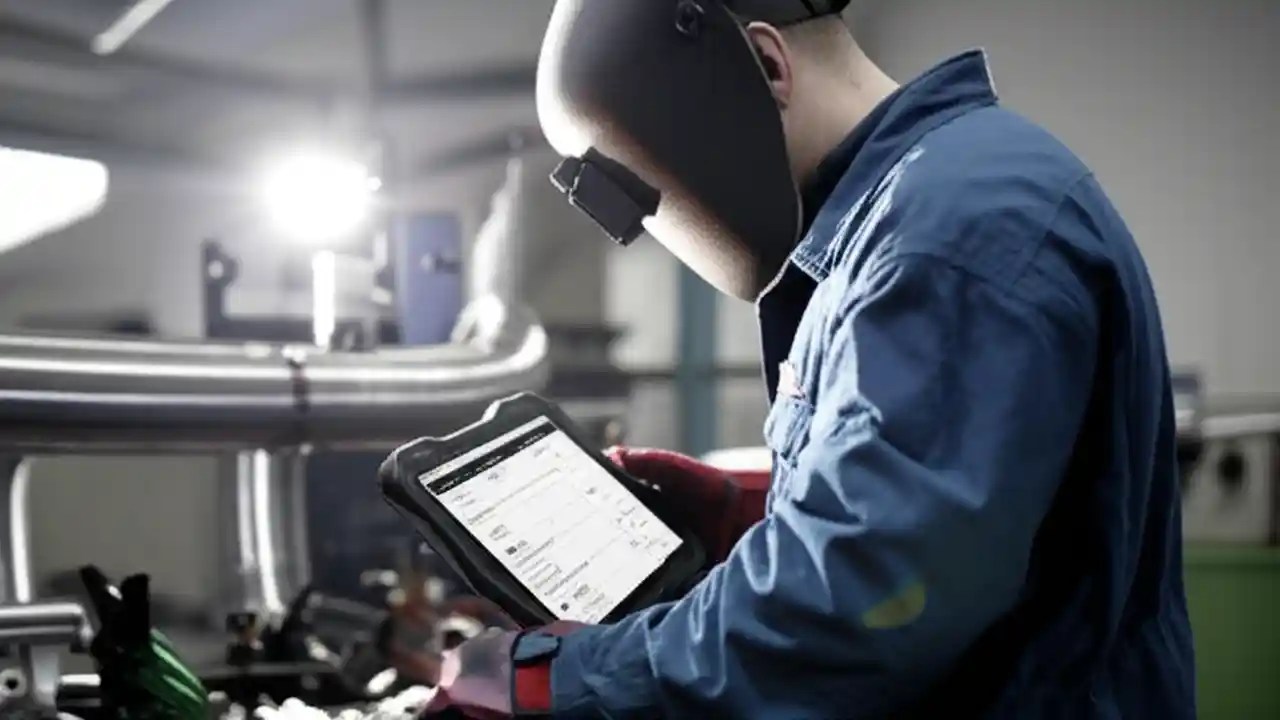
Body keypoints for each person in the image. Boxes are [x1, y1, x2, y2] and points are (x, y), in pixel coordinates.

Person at [422, 0, 1197, 717]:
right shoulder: (927, 202)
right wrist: (745, 514)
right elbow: (957, 523)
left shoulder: (942, 236)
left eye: (654, 189)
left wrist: (551, 682)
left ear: (765, 66)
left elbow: (857, 609)